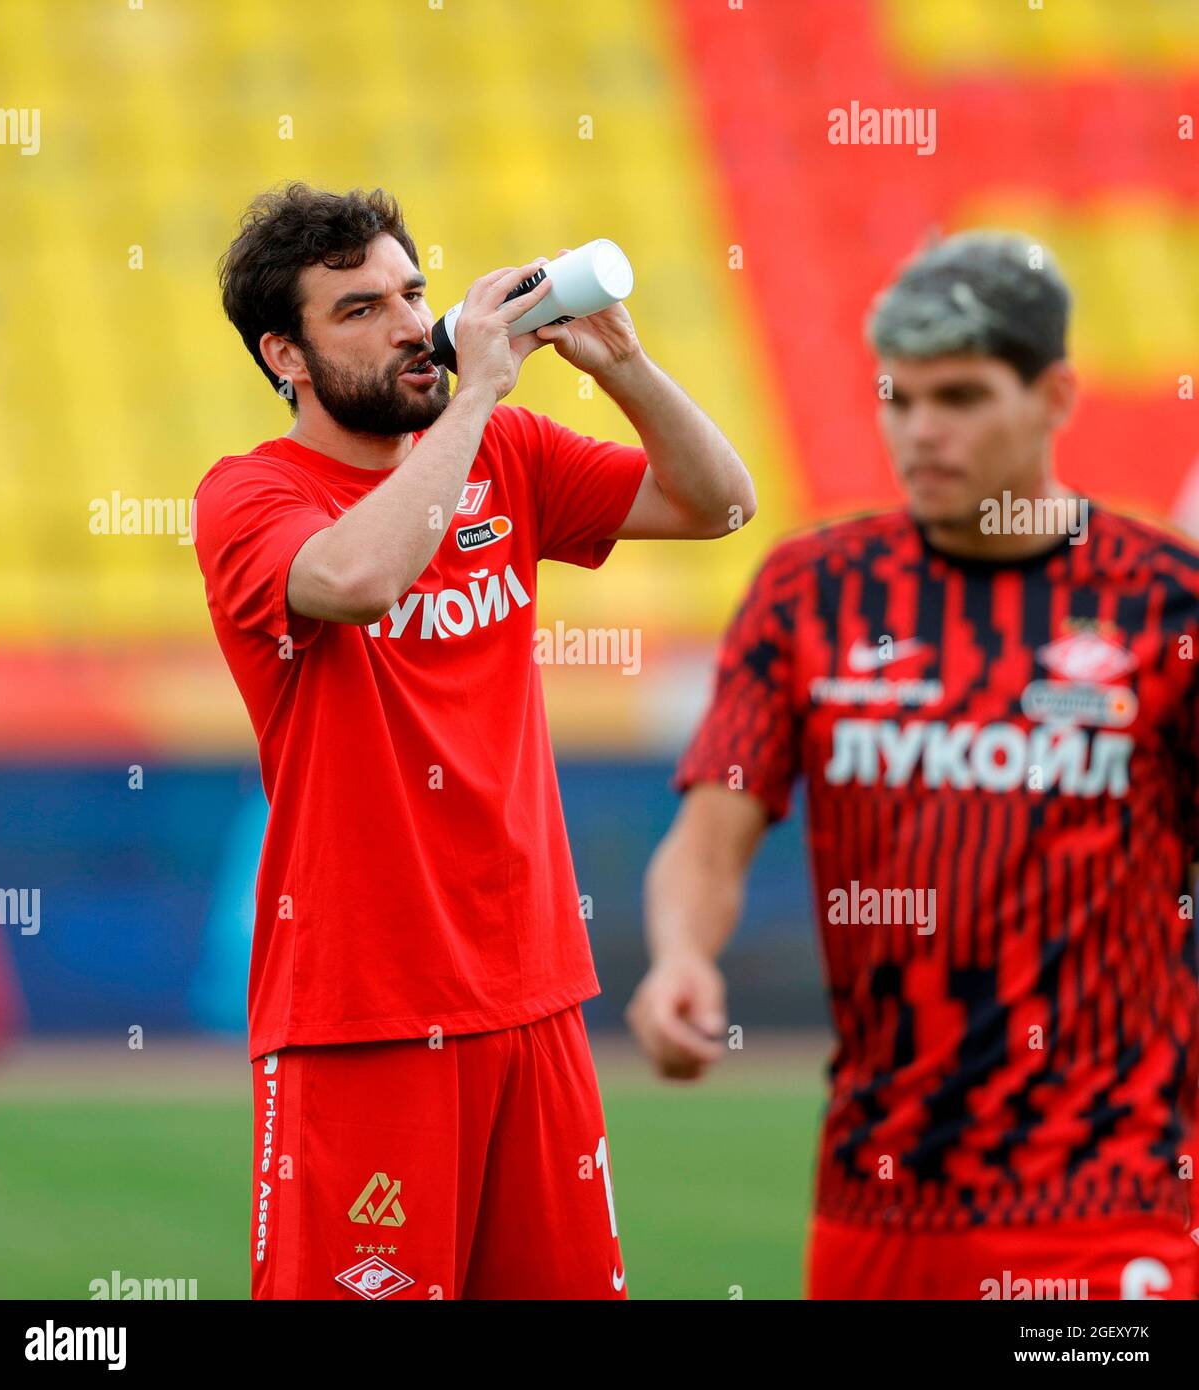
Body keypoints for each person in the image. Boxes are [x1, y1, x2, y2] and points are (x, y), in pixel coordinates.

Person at [194, 183, 756, 1300]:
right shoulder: (251, 495)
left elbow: (719, 502)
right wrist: (476, 398)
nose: (410, 324)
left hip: (535, 992)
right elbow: (357, 580)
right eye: (358, 311)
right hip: (363, 1011)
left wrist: (624, 368)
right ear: (285, 356)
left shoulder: (508, 453)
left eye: (411, 293)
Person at [629, 231, 1199, 1300]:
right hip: (876, 1199)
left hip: (1109, 1192)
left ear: (1055, 394)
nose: (922, 431)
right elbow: (708, 842)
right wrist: (680, 959)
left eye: (962, 397)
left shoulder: (1169, 603)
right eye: (899, 397)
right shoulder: (811, 593)